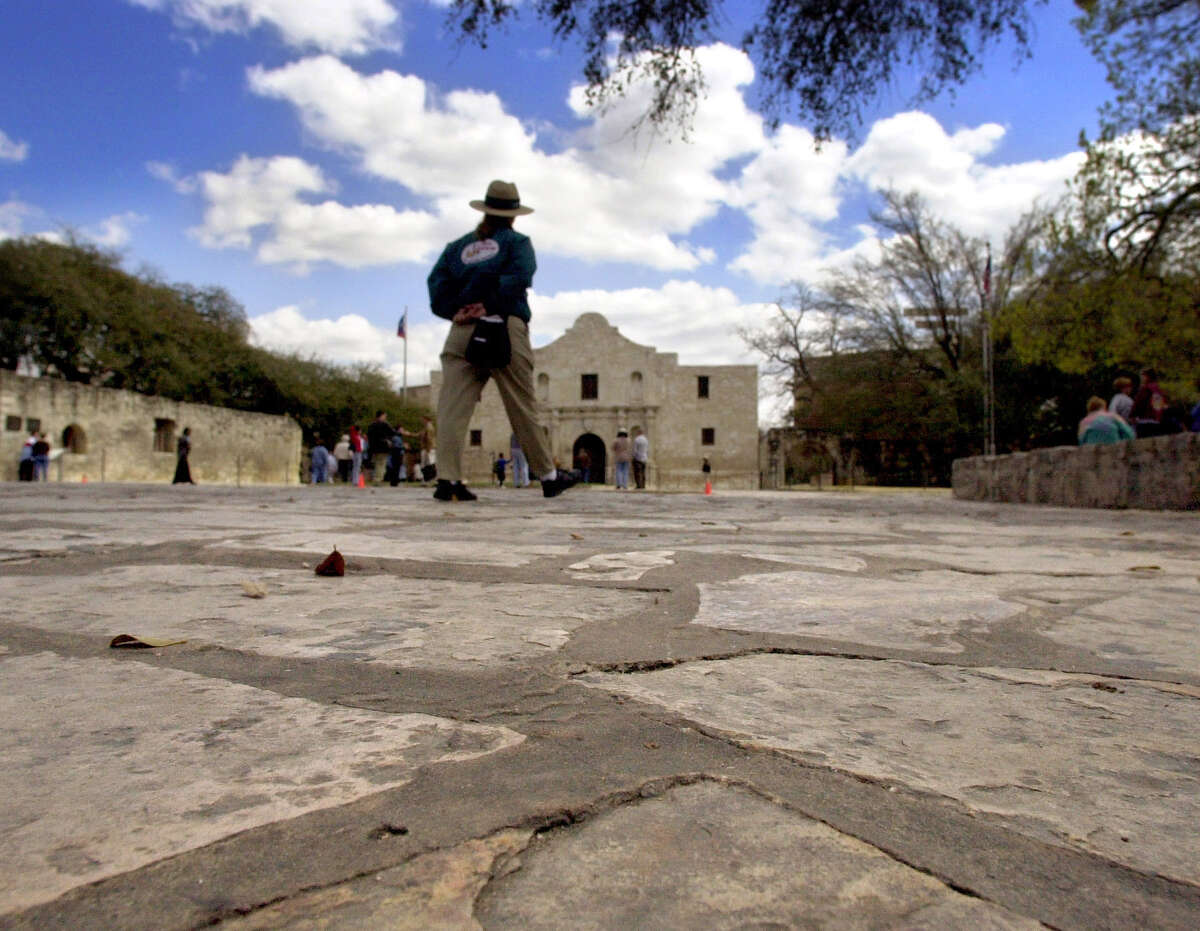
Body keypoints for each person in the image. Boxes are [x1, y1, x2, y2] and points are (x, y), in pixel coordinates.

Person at [426, 179, 574, 502]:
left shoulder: (457, 247)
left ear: (485, 209)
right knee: (521, 402)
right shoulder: (518, 243)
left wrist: (456, 310)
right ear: (513, 216)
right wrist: (489, 304)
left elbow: (436, 284)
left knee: (452, 406)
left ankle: (448, 480)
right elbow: (520, 276)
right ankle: (548, 475)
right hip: (502, 326)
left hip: (462, 331)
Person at [366, 411, 396, 483]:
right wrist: (388, 440)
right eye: (384, 416)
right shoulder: (385, 424)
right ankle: (378, 479)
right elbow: (392, 432)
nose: (385, 417)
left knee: (377, 463)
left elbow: (369, 436)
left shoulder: (372, 425)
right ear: (381, 416)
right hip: (383, 447)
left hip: (374, 447)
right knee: (381, 463)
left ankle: (376, 478)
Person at [418, 415, 437, 482]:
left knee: (429, 463)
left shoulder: (429, 427)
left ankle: (430, 478)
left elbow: (429, 438)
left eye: (422, 419)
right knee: (427, 463)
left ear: (426, 419)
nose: (421, 421)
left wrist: (428, 448)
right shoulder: (427, 427)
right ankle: (428, 478)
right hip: (427, 447)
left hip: (428, 447)